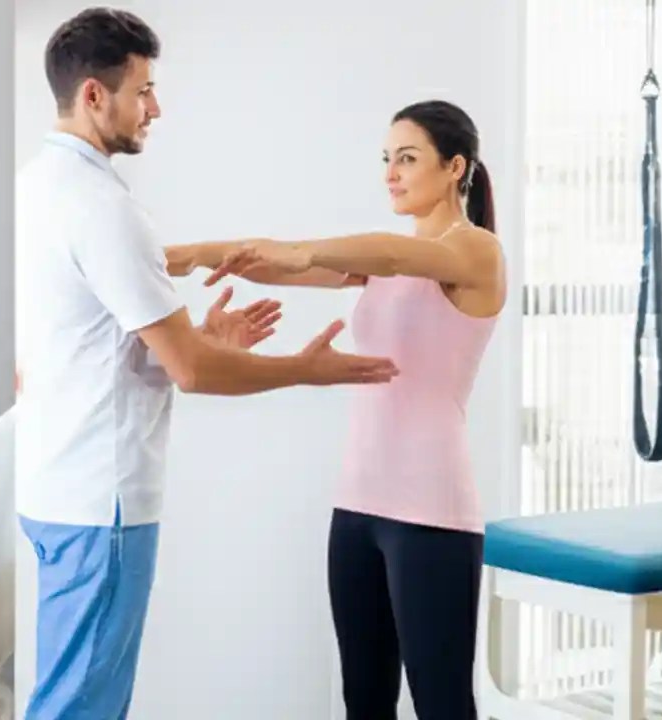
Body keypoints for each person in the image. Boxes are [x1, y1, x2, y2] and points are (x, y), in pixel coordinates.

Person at [15, 8, 400, 719]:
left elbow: (94, 344)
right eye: (144, 91)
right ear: (95, 96)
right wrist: (302, 370)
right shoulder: (102, 206)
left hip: (53, 492)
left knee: (68, 695)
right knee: (80, 708)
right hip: (103, 503)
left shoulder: (37, 186)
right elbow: (190, 372)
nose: (155, 108)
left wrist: (204, 342)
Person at [168, 99, 505, 719]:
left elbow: (393, 255)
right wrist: (191, 253)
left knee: (442, 704)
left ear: (455, 167)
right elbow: (285, 259)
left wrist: (305, 252)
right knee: (363, 701)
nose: (390, 173)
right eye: (385, 159)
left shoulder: (474, 253)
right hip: (356, 507)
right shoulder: (377, 264)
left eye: (407, 158)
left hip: (431, 513)